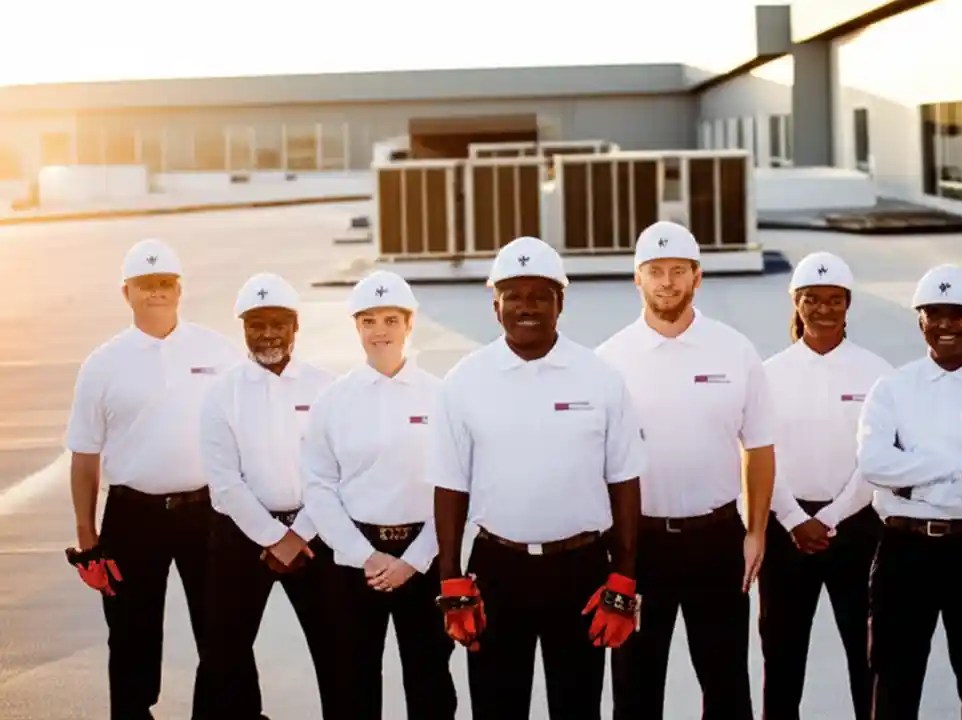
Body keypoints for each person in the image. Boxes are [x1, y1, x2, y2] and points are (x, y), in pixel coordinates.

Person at [429, 236, 646, 720]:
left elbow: (624, 482)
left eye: (540, 295)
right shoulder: (465, 380)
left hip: (581, 569)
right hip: (497, 570)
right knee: (495, 707)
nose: (526, 307)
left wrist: (624, 577)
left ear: (560, 302)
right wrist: (450, 581)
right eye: (514, 295)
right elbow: (449, 486)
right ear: (495, 305)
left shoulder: (600, 377)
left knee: (578, 707)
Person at [596, 220, 774, 720]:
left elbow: (759, 447)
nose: (667, 282)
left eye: (679, 271)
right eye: (655, 270)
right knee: (635, 687)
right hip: (637, 545)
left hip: (715, 540)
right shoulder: (608, 361)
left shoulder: (734, 350)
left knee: (726, 686)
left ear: (698, 277)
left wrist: (755, 531)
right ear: (637, 278)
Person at [64, 238, 241, 720]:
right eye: (145, 285)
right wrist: (88, 538)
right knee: (130, 634)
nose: (156, 293)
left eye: (165, 283)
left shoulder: (218, 351)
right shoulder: (102, 364)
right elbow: (84, 457)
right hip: (131, 515)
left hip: (208, 512)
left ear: (179, 289)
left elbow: (248, 428)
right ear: (127, 293)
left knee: (222, 630)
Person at [856, 264, 962, 720]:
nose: (945, 325)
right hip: (902, 553)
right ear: (920, 320)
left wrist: (913, 490)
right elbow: (874, 465)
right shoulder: (892, 388)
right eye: (934, 314)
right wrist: (959, 468)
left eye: (957, 314)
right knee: (894, 683)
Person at [301, 270, 456, 719]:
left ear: (409, 325)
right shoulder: (334, 400)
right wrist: (363, 555)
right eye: (369, 321)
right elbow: (318, 485)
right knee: (351, 682)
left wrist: (414, 560)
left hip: (423, 558)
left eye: (391, 319)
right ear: (357, 328)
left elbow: (458, 486)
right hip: (355, 563)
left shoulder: (441, 397)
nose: (380, 331)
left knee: (429, 681)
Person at [195, 272, 351, 719]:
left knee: (339, 653)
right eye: (256, 323)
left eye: (278, 323)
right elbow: (224, 482)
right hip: (240, 535)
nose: (267, 334)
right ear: (242, 327)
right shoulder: (220, 393)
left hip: (317, 532)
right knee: (223, 656)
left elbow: (336, 472)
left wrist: (299, 533)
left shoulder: (326, 388)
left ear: (296, 327)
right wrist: (272, 537)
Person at [758, 251, 894, 720]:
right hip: (785, 530)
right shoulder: (769, 372)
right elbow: (759, 456)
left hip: (856, 528)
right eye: (811, 299)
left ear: (848, 304)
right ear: (796, 302)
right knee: (782, 656)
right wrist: (796, 519)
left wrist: (830, 518)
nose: (822, 309)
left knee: (868, 655)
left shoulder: (877, 372)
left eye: (833, 300)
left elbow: (876, 461)